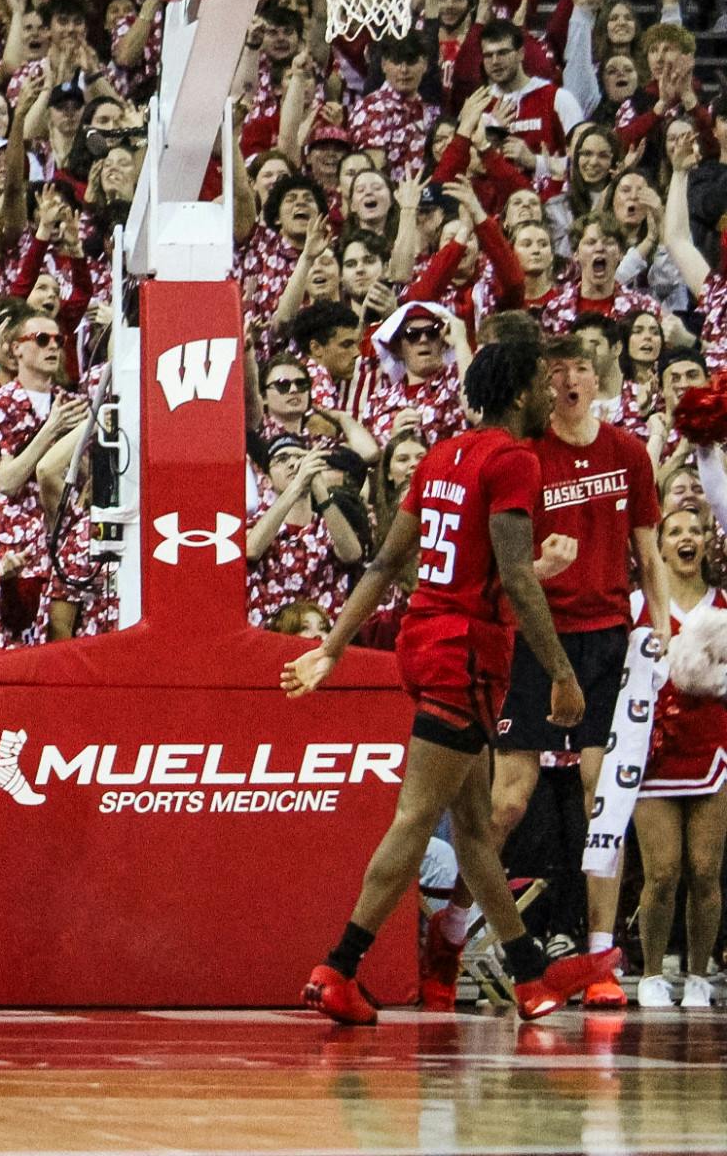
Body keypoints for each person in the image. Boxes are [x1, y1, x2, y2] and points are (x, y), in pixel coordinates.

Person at [285, 337, 621, 1023]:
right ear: (520, 393)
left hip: (426, 638)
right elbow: (516, 576)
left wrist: (332, 647)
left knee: (473, 825)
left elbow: (383, 565)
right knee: (416, 817)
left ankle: (529, 977)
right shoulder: (513, 459)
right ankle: (338, 965)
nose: (552, 393)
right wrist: (561, 673)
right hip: (464, 653)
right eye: (542, 382)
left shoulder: (442, 454)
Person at [458, 334, 666, 1008]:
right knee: (509, 798)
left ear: (598, 374)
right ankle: (452, 927)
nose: (569, 380)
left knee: (600, 788)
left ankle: (600, 954)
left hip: (606, 638)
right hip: (535, 638)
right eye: (556, 371)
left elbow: (648, 548)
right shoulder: (526, 456)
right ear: (541, 386)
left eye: (580, 367)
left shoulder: (628, 452)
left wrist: (658, 617)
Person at [630, 508, 727, 1008]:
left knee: (705, 870)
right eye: (676, 532)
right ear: (660, 546)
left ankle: (697, 975)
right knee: (662, 872)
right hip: (653, 752)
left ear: (707, 544)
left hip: (713, 750)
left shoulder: (724, 605)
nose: (688, 538)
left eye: (697, 530)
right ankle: (649, 974)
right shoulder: (637, 605)